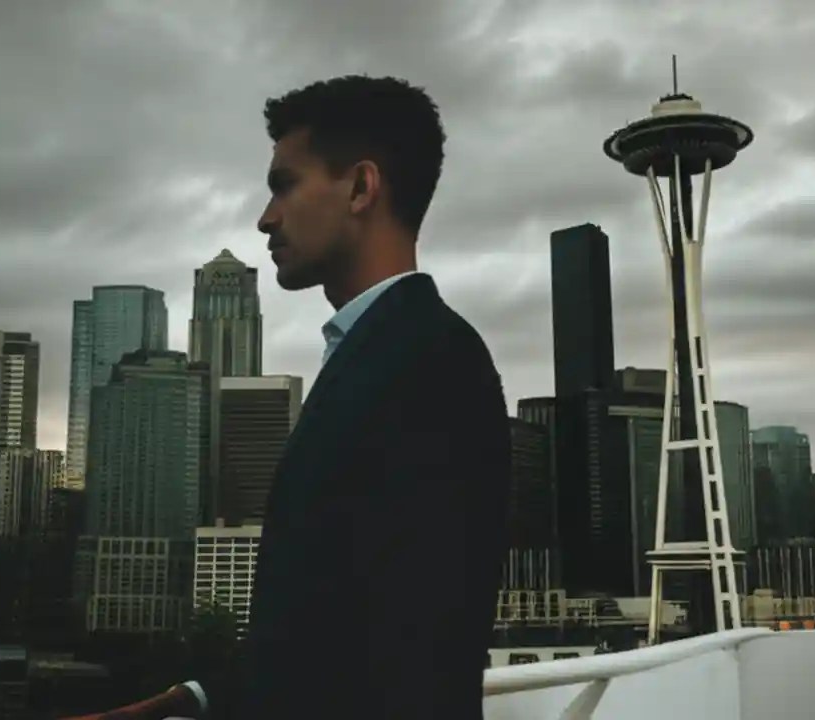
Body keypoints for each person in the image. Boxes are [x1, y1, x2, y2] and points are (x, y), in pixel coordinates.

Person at [68, 75, 512, 720]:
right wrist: (190, 700)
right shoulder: (378, 351)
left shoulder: (429, 361)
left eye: (284, 184)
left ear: (361, 187)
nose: (265, 217)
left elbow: (411, 643)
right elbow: (331, 617)